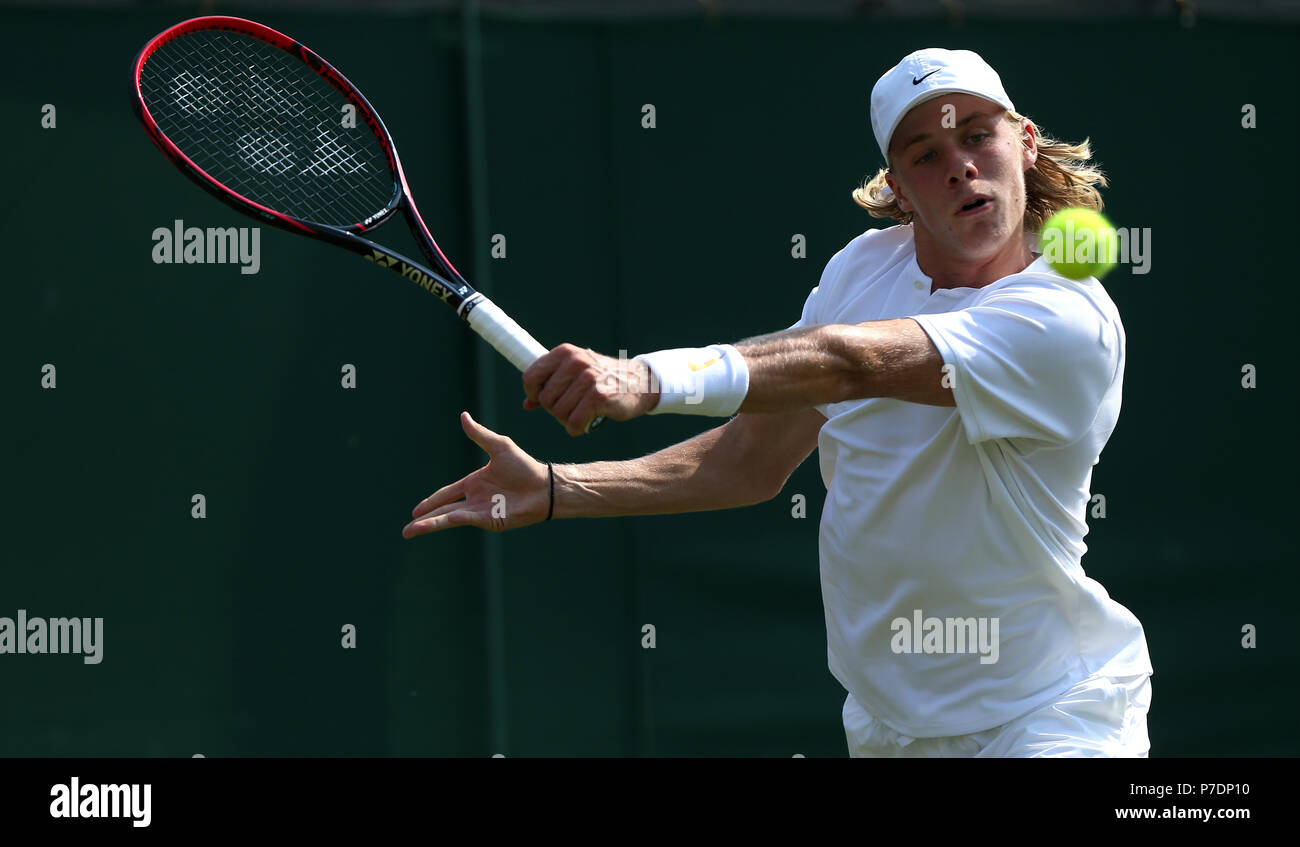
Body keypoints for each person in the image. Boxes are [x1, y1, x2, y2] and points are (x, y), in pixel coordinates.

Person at [402, 48, 1153, 758]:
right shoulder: (861, 270)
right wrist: (562, 488)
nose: (959, 166)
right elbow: (749, 461)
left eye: (979, 136)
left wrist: (645, 379)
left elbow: (848, 363)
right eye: (925, 153)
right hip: (893, 723)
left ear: (1024, 143)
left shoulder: (1065, 321)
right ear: (896, 189)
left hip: (1052, 711)